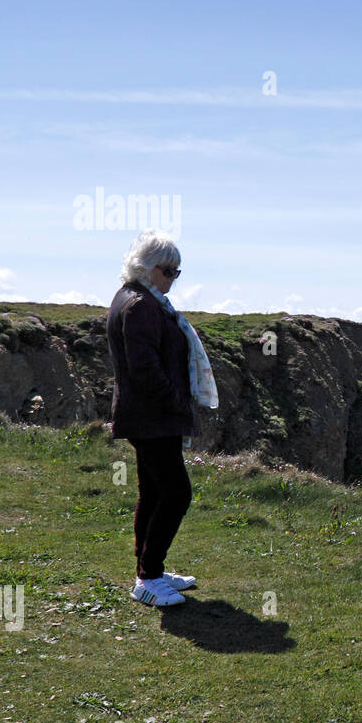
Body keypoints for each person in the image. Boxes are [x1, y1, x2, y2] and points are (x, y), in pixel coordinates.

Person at [106, 230, 218, 607]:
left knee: (154, 492)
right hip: (152, 417)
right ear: (147, 268)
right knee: (176, 492)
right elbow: (145, 370)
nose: (172, 278)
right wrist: (176, 402)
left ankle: (150, 569)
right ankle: (148, 578)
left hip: (149, 416)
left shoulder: (138, 299)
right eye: (169, 271)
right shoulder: (140, 306)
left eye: (177, 272)